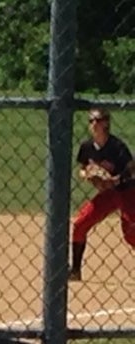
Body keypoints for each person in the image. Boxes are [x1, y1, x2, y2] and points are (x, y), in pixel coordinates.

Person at [69, 108, 135, 282]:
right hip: (107, 194)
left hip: (127, 192)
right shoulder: (87, 147)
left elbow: (131, 169)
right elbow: (83, 169)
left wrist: (115, 180)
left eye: (97, 120)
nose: (94, 124)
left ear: (106, 122)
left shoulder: (117, 146)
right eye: (91, 121)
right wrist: (88, 175)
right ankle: (75, 270)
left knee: (131, 234)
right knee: (80, 224)